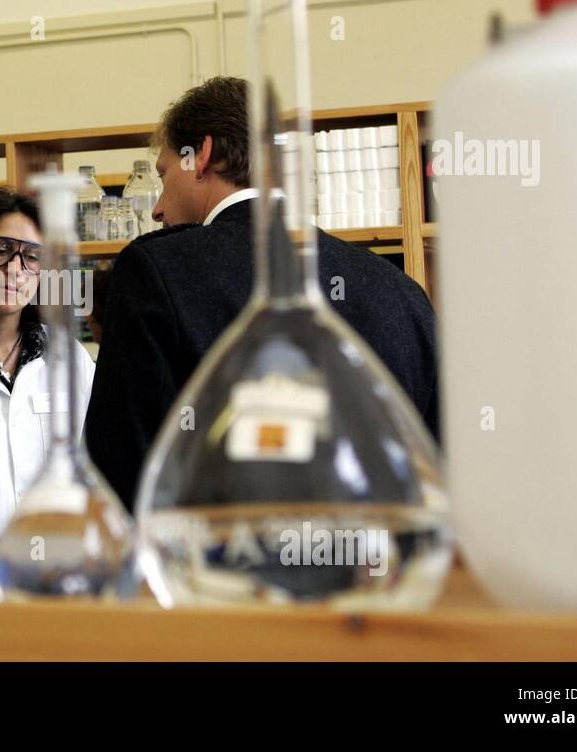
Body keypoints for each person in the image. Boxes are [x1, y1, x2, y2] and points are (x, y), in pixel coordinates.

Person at [84, 76, 440, 509]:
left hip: (225, 550)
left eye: (164, 174)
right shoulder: (401, 291)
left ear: (202, 156)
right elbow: (438, 468)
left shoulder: (156, 273)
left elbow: (121, 472)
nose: (157, 208)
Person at [0, 187, 96, 538]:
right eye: (0, 250)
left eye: (32, 256)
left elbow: (94, 463)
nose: (15, 269)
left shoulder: (69, 357)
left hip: (57, 554)